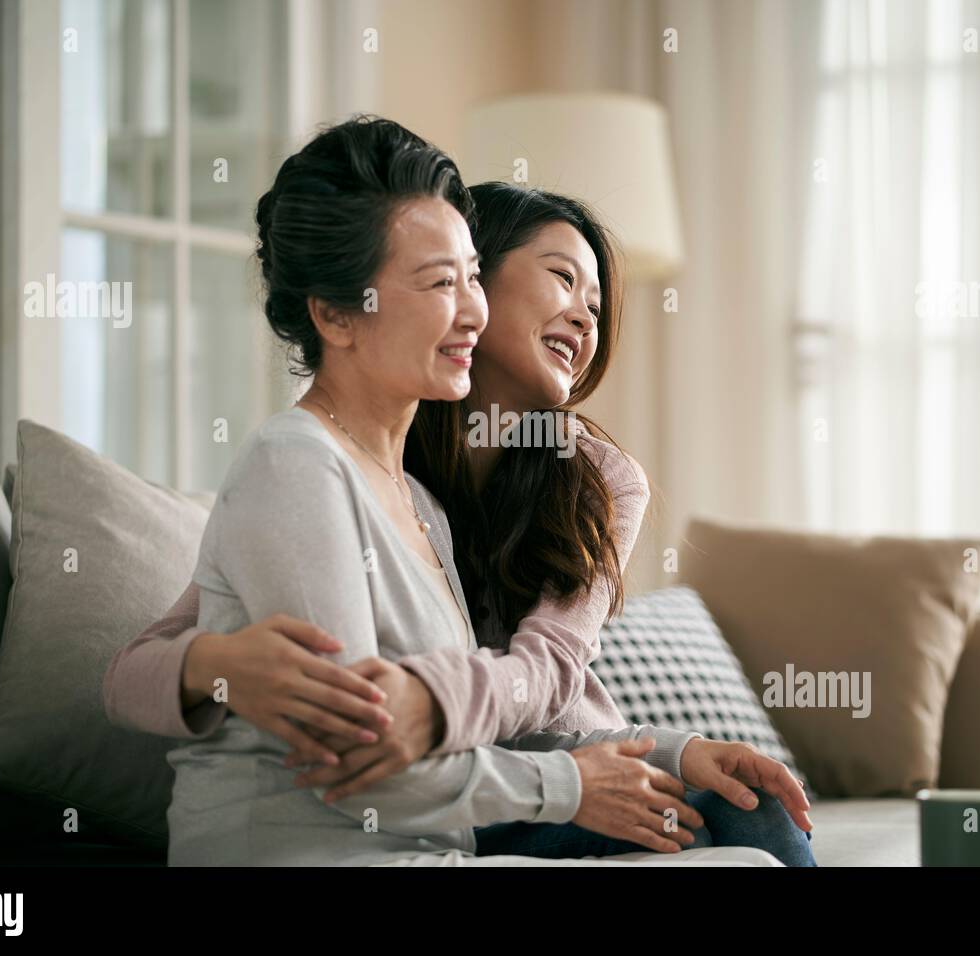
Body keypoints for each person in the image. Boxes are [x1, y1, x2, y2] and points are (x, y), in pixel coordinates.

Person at [107, 115, 815, 866]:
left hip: (473, 796)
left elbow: (542, 682)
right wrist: (213, 666)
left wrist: (668, 752)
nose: (583, 314)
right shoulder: (312, 463)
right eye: (445, 281)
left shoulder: (455, 499)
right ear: (338, 314)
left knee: (748, 826)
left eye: (468, 277)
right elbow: (343, 754)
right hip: (408, 823)